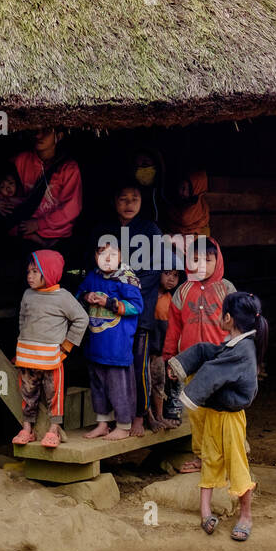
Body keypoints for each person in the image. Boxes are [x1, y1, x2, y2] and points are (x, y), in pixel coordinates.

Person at [168, 292, 267, 542]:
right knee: (209, 458)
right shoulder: (233, 344)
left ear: (228, 318)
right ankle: (205, 513)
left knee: (236, 464)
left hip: (231, 417)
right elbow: (209, 353)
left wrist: (188, 396)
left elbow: (213, 370)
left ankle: (246, 516)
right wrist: (180, 367)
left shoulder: (243, 349)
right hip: (214, 413)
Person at [92, 182, 171, 434]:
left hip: (139, 311)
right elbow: (94, 265)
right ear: (114, 200)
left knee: (139, 365)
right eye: (123, 198)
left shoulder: (150, 230)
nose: (128, 204)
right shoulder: (105, 229)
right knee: (111, 365)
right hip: (108, 313)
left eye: (134, 199)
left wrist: (126, 289)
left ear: (142, 201)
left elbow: (153, 271)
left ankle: (138, 416)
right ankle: (115, 417)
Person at [162, 237, 235, 472]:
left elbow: (240, 326)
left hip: (221, 362)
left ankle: (226, 454)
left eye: (207, 259)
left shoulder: (227, 289)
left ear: (218, 260)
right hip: (192, 363)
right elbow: (174, 329)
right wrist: (170, 358)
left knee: (222, 409)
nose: (201, 264)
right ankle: (201, 456)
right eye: (194, 260)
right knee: (195, 412)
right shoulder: (182, 291)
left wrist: (240, 356)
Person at [12, 250, 88, 448]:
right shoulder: (28, 294)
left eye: (36, 272)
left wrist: (67, 346)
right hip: (27, 356)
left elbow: (82, 319)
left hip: (51, 358)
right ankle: (27, 428)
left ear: (50, 272)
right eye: (28, 271)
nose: (30, 276)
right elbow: (22, 318)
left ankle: (53, 429)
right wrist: (22, 343)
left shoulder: (63, 297)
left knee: (54, 394)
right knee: (27, 394)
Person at [76, 241, 143, 441]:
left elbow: (136, 307)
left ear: (121, 256)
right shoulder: (92, 276)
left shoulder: (126, 279)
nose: (107, 258)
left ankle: (123, 425)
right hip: (96, 342)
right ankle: (102, 423)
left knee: (119, 387)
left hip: (117, 345)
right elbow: (78, 295)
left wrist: (109, 302)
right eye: (101, 253)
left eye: (113, 253)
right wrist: (86, 296)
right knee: (97, 386)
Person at [0, 128, 82, 247]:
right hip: (25, 231)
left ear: (59, 136)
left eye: (46, 131)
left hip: (57, 237)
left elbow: (71, 208)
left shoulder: (68, 168)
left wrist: (39, 224)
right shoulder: (22, 160)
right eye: (35, 130)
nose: (38, 135)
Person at [149, 267, 183, 429]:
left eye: (176, 275)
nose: (171, 279)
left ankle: (160, 415)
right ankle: (148, 416)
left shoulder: (172, 300)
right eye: (167, 273)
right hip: (145, 349)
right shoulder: (148, 294)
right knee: (146, 383)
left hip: (161, 351)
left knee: (159, 382)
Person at [161, 169, 210, 238]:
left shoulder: (202, 214)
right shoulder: (172, 205)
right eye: (181, 187)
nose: (182, 192)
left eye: (188, 190)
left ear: (196, 191)